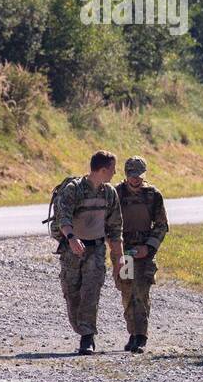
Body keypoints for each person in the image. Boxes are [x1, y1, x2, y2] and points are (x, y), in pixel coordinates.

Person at [53, 151, 124, 354]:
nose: (115, 173)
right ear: (102, 170)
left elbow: (115, 227)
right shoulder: (73, 190)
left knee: (91, 292)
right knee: (72, 292)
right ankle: (80, 327)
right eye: (112, 169)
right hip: (72, 249)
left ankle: (87, 338)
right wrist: (72, 239)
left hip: (96, 249)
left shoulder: (109, 193)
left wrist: (119, 258)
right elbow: (62, 218)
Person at [115, 156, 168, 353]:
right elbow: (109, 223)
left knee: (141, 293)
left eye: (138, 176)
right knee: (128, 292)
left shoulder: (153, 195)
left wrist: (149, 247)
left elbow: (162, 225)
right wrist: (117, 249)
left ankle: (142, 335)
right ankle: (133, 333)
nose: (135, 180)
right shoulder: (117, 193)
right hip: (125, 251)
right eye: (131, 175)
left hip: (144, 252)